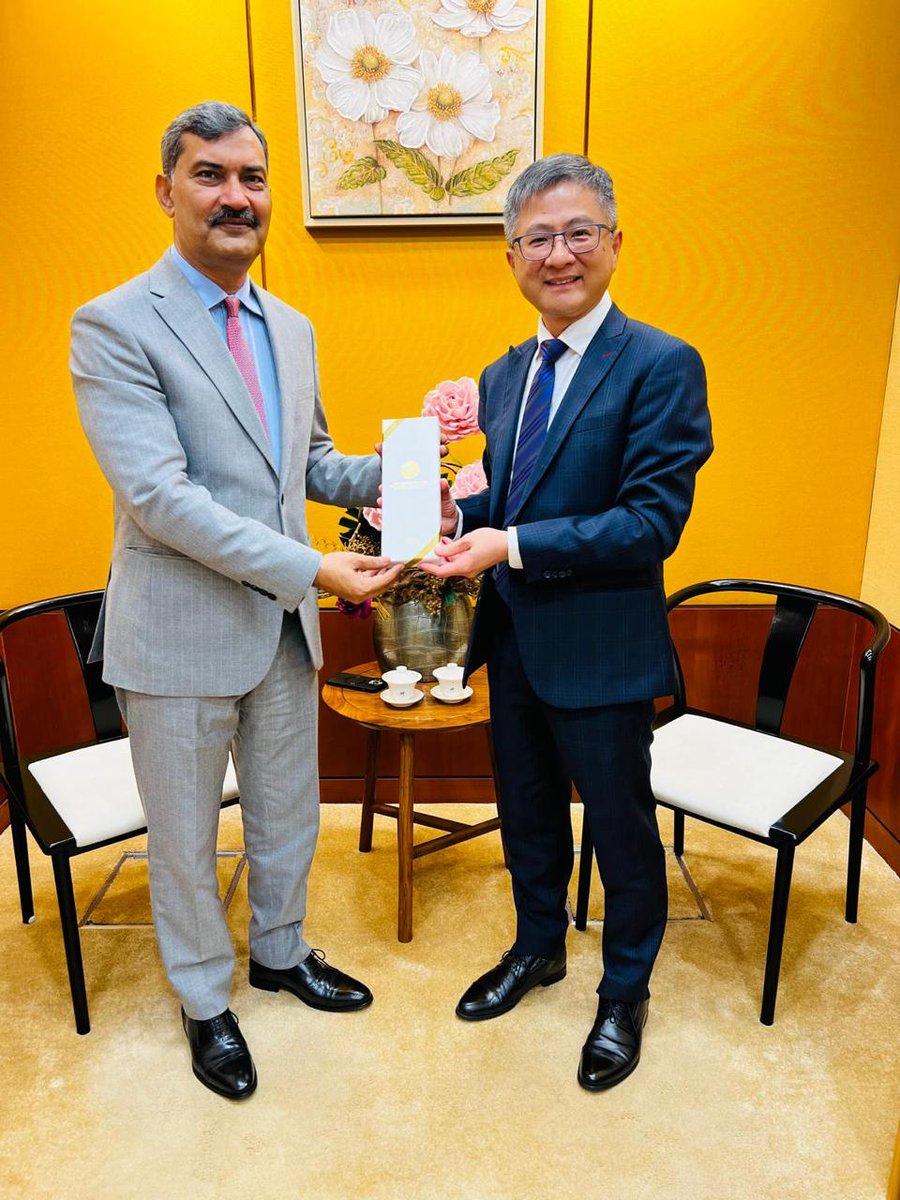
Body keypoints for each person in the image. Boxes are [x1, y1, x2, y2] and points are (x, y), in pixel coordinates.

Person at [70, 102, 405, 1100]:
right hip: (178, 634)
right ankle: (204, 999)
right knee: (183, 841)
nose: (235, 197)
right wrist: (312, 570)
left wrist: (410, 476)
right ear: (166, 190)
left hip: (283, 634)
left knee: (288, 815)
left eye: (252, 178)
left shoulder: (290, 327)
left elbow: (310, 462)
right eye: (209, 175)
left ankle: (281, 951)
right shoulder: (114, 324)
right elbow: (161, 499)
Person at [422, 154, 713, 1090]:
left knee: (622, 832)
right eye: (537, 237)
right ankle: (537, 947)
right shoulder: (504, 374)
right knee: (527, 814)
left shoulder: (661, 364)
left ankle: (625, 991)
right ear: (511, 257)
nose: (559, 254)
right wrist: (448, 517)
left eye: (578, 232)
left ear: (615, 243)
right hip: (514, 639)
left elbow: (650, 521)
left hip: (603, 646)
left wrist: (506, 543)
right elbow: (507, 500)